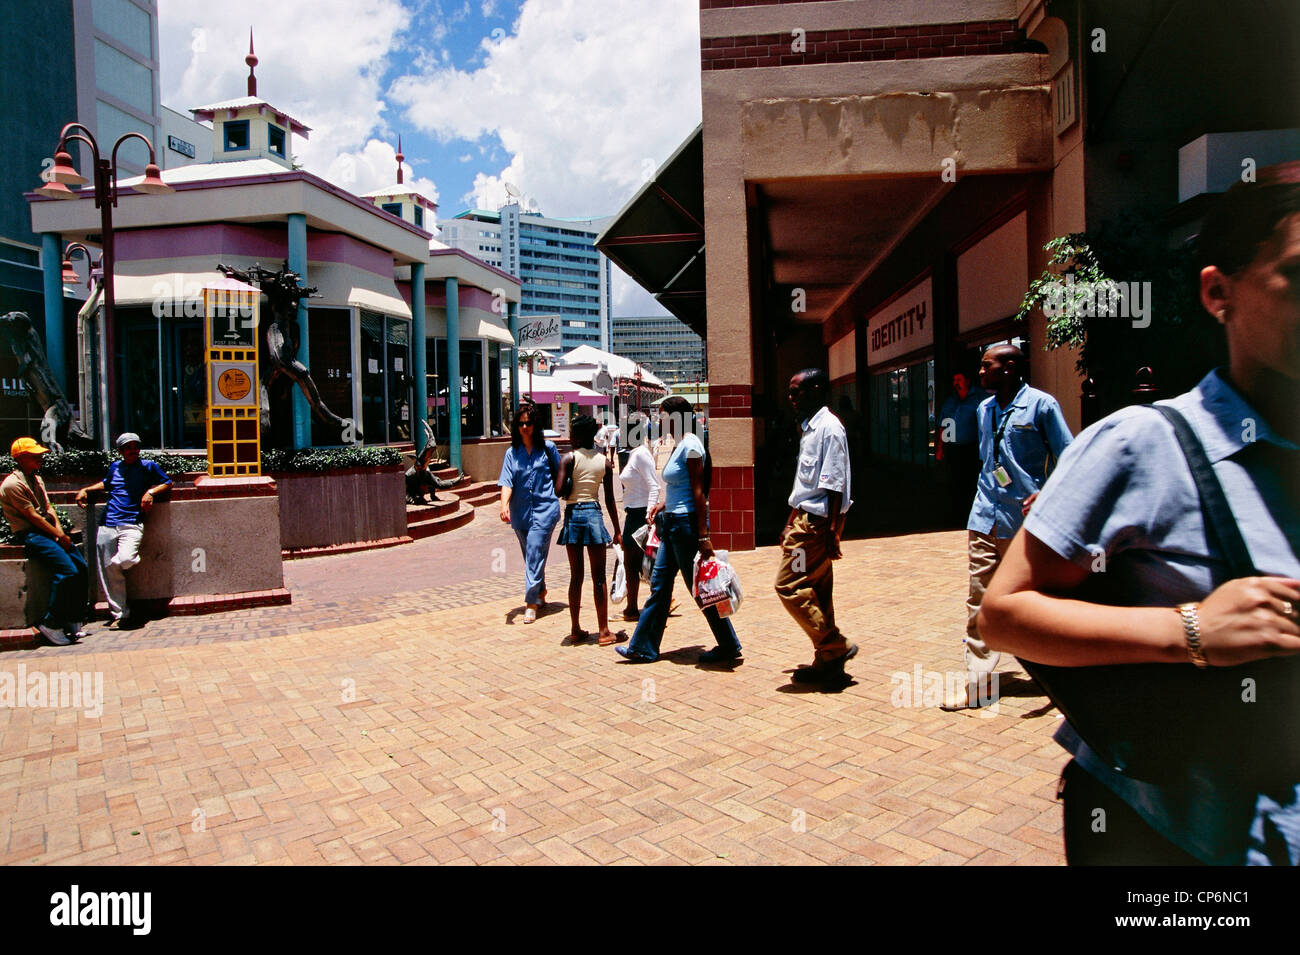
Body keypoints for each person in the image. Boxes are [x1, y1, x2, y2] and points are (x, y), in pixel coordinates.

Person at [979, 164, 1300, 865]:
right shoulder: (1141, 444)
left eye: (998, 364)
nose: (988, 374)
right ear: (1218, 292)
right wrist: (1191, 630)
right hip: (1178, 838)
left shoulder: (1041, 406)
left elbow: (1057, 453)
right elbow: (1003, 611)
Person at [940, 344, 1072, 710]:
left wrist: (1046, 496)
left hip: (1026, 525)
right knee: (978, 599)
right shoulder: (985, 409)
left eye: (987, 367)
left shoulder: (1042, 406)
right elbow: (989, 464)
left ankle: (1056, 677)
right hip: (984, 515)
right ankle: (977, 686)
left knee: (1035, 601)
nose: (981, 374)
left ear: (1011, 368)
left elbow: (1071, 456)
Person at [616, 396, 742, 664]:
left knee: (701, 588)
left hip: (685, 527)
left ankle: (728, 644)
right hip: (672, 522)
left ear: (676, 417)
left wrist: (703, 536)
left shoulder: (692, 445)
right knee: (660, 586)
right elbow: (680, 486)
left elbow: (698, 494)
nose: (658, 421)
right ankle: (643, 647)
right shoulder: (679, 444)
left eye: (662, 416)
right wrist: (663, 505)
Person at [776, 369, 858, 687]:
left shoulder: (830, 429)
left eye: (796, 391)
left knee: (788, 585)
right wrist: (788, 522)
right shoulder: (809, 429)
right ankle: (827, 664)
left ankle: (835, 645)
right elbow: (806, 484)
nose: (791, 397)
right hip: (803, 521)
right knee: (819, 593)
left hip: (814, 527)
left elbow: (835, 485)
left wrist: (834, 531)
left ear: (816, 391)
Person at [75, 432, 172, 628]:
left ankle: (122, 565)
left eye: (135, 446)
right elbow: (106, 483)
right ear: (120, 451)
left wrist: (150, 492)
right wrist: (86, 490)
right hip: (108, 523)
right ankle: (120, 613)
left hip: (132, 522)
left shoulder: (148, 466)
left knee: (125, 559)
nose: (133, 450)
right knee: (108, 569)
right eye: (128, 448)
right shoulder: (115, 467)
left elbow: (167, 483)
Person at [0, 437, 87, 645]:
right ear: (21, 459)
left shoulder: (36, 478)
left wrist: (60, 533)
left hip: (47, 531)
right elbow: (33, 517)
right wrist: (58, 536)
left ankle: (72, 618)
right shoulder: (12, 485)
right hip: (30, 534)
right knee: (67, 571)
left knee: (81, 567)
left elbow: (48, 509)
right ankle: (51, 623)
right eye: (34, 456)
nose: (40, 458)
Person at [555, 414, 622, 645]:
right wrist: (617, 529)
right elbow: (611, 499)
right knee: (599, 577)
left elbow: (558, 490)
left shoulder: (569, 459)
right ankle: (603, 631)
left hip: (573, 515)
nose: (571, 437)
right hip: (594, 515)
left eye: (573, 434)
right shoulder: (604, 461)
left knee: (576, 576)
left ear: (579, 435)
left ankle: (575, 629)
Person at [498, 400, 561, 624]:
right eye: (521, 424)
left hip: (545, 509)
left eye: (529, 423)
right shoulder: (511, 453)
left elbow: (560, 475)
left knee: (534, 551)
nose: (525, 427)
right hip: (520, 512)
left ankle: (531, 602)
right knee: (531, 555)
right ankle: (541, 589)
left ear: (536, 425)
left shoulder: (548, 449)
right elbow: (507, 481)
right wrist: (504, 504)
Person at [618, 411, 661, 622]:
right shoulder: (634, 453)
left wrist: (649, 514)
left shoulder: (641, 454)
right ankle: (632, 606)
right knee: (633, 564)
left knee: (638, 563)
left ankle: (638, 606)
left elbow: (654, 485)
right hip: (632, 513)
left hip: (639, 514)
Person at [935, 369, 988, 525]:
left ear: (967, 381)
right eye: (954, 380)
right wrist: (939, 447)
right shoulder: (951, 400)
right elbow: (942, 424)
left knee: (970, 483)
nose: (955, 383)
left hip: (971, 449)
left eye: (959, 379)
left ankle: (971, 516)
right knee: (954, 483)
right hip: (953, 448)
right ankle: (955, 516)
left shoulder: (979, 398)